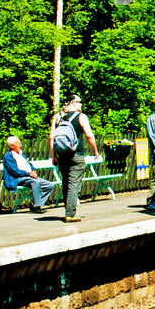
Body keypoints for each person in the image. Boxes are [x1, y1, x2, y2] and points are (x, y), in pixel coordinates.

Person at [49, 95, 98, 223]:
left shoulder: (58, 117)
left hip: (61, 155)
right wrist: (95, 150)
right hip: (76, 154)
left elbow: (51, 138)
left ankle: (68, 210)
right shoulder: (81, 117)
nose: (81, 104)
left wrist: (53, 155)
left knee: (65, 183)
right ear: (72, 103)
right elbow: (89, 135)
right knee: (74, 184)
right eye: (79, 102)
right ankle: (70, 214)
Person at [1, 136, 55, 213]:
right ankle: (37, 207)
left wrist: (33, 171)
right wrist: (29, 174)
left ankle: (34, 203)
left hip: (28, 176)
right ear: (11, 146)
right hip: (16, 178)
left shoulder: (21, 154)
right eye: (18, 144)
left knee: (50, 185)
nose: (20, 145)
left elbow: (29, 164)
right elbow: (14, 171)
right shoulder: (8, 156)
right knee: (35, 182)